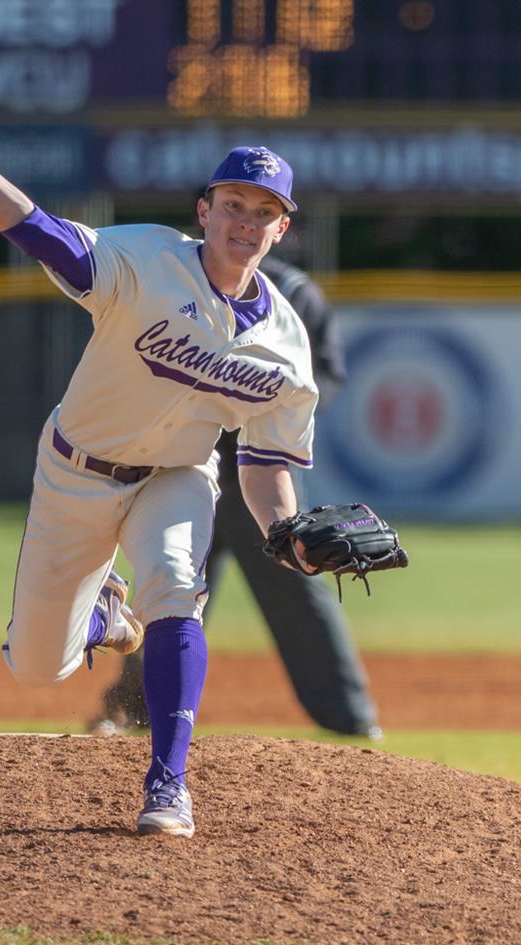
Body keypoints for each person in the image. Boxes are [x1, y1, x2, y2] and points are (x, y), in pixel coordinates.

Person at [0, 90, 323, 839]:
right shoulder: (142, 261)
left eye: (263, 211)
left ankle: (168, 784)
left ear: (282, 229)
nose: (247, 222)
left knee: (178, 591)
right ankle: (104, 617)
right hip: (76, 471)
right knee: (35, 665)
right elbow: (34, 228)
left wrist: (287, 530)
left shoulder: (286, 343)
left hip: (178, 476)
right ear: (205, 210)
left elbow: (264, 460)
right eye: (234, 205)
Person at [93, 253, 384, 739]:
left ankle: (351, 719)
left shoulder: (294, 292)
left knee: (298, 587)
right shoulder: (181, 281)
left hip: (261, 473)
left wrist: (280, 414)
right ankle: (135, 712)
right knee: (168, 589)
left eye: (262, 217)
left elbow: (326, 376)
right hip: (185, 467)